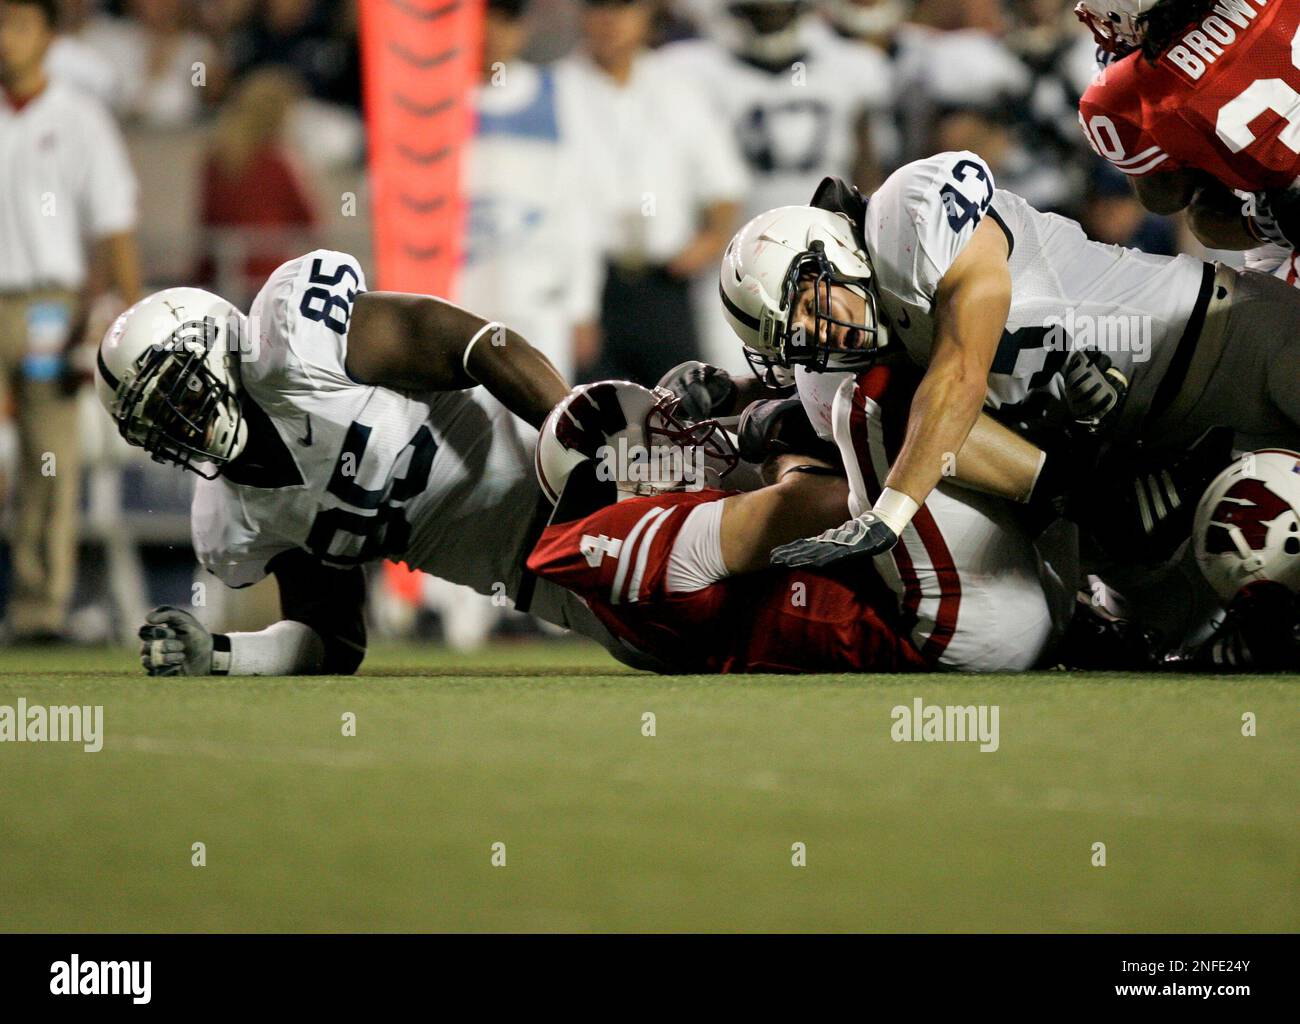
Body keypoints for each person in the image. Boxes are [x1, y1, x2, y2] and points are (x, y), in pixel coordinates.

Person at [717, 154, 1300, 569]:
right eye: (798, 339)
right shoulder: (844, 381)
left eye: (810, 304)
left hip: (1225, 341)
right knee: (1220, 623)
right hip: (1150, 461)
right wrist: (1083, 486)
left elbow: (961, 371)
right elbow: (945, 438)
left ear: (830, 247)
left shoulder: (909, 212)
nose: (823, 335)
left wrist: (888, 516)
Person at [103, 251, 625, 675]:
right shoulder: (237, 518)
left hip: (566, 469)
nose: (181, 428)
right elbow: (335, 643)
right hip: (548, 577)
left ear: (214, 346)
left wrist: (580, 452)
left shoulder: (297, 346)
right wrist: (221, 655)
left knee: (697, 500)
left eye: (180, 395)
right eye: (158, 425)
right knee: (670, 646)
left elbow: (483, 345)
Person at [0, 0, 141, 642]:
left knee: (49, 457)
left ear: (48, 37)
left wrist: (126, 320)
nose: (4, 38)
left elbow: (113, 225)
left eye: (17, 23)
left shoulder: (80, 119)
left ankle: (38, 609)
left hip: (47, 309)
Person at [558, 0, 749, 384]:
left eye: (624, 8)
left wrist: (710, 241)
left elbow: (725, 183)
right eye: (599, 9)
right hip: (588, 288)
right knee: (594, 424)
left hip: (666, 284)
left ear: (647, 14)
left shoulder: (678, 87)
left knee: (684, 418)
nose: (609, 19)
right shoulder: (556, 88)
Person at [1075, 0, 1300, 283]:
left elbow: (1164, 199)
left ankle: (1269, 222)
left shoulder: (1127, 90)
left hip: (1285, 221)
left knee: (1206, 217)